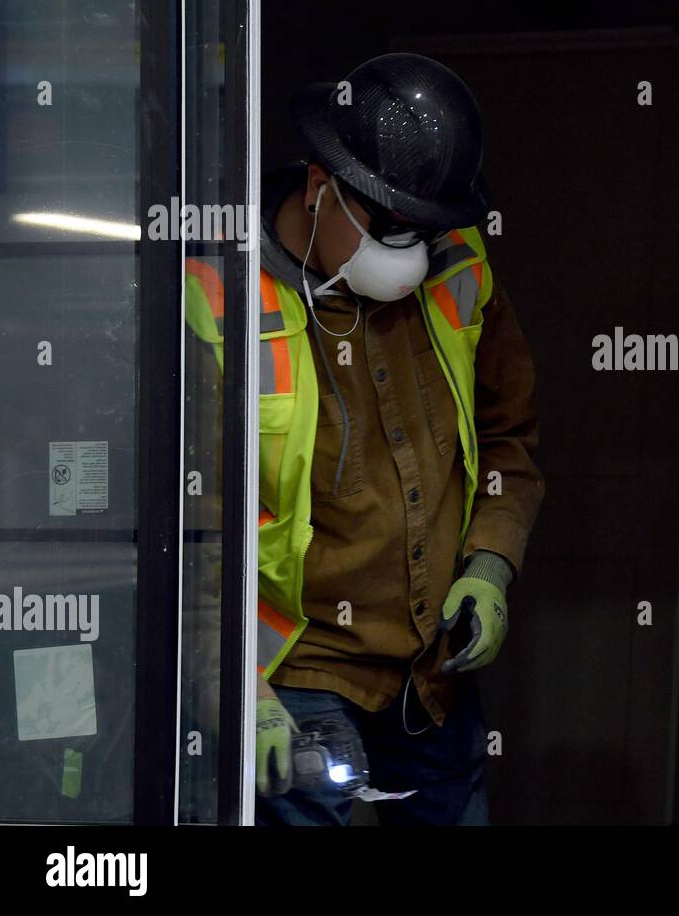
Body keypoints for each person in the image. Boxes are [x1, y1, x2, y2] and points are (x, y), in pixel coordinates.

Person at [184, 53, 544, 825]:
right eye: (389, 229)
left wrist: (491, 561)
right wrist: (230, 679)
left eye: (426, 231)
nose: (410, 257)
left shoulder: (458, 268)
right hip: (298, 671)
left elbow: (510, 434)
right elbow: (189, 528)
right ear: (321, 190)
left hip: (431, 674)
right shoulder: (217, 303)